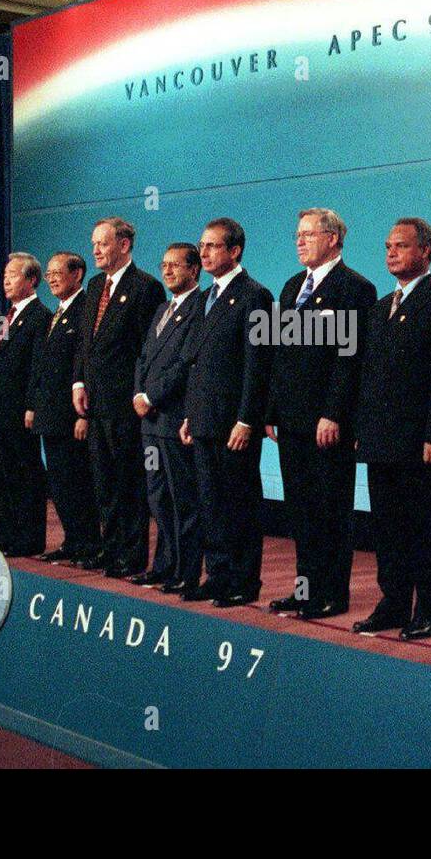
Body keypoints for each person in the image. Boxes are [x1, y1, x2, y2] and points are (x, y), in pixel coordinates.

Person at [265, 208, 376, 619]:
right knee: (300, 510)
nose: (300, 240)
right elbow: (281, 355)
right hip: (291, 421)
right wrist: (271, 411)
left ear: (333, 239)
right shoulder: (293, 287)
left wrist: (334, 413)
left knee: (330, 509)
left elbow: (351, 360)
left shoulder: (355, 288)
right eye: (298, 234)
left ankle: (332, 594)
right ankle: (305, 588)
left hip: (328, 422)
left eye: (309, 234)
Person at [352, 218, 431, 640]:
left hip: (421, 442)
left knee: (427, 530)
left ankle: (429, 610)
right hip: (379, 439)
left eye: (401, 246)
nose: (391, 253)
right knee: (388, 528)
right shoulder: (379, 307)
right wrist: (362, 427)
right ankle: (393, 602)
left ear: (426, 251)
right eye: (387, 246)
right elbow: (368, 375)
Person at [178, 218, 273, 607]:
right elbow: (194, 363)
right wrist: (189, 414)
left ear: (234, 251)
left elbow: (259, 363)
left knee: (239, 504)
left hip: (235, 422)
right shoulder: (203, 298)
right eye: (202, 245)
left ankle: (243, 580)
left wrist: (247, 419)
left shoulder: (256, 295)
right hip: (203, 418)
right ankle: (217, 574)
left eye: (213, 246)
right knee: (210, 503)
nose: (204, 253)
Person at [72, 218, 166, 578]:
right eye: (93, 243)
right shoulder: (95, 287)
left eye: (103, 243)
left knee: (129, 484)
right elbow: (84, 342)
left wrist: (141, 394)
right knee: (104, 483)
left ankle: (131, 555)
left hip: (126, 406)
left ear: (124, 245)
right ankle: (109, 549)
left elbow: (149, 350)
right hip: (94, 403)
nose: (95, 250)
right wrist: (78, 383)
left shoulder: (146, 288)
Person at [132, 243, 204, 592]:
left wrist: (150, 396)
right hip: (149, 423)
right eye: (164, 265)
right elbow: (143, 357)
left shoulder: (200, 307)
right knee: (157, 496)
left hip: (173, 418)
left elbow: (184, 365)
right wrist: (137, 393)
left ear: (194, 270)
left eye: (176, 265)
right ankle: (163, 565)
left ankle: (186, 571)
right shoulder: (162, 307)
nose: (168, 271)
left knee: (182, 499)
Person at [29, 252, 100, 565]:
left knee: (78, 484)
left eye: (58, 272)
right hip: (51, 415)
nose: (52, 278)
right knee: (59, 485)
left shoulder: (86, 309)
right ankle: (72, 541)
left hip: (72, 416)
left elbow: (83, 366)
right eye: (48, 274)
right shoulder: (56, 313)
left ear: (78, 274)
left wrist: (83, 415)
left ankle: (89, 545)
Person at [0, 253, 51, 556]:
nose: (6, 280)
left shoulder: (40, 316)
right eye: (5, 274)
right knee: (0, 474)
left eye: (13, 274)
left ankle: (28, 538)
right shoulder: (4, 317)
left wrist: (31, 406)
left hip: (17, 411)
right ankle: (6, 533)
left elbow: (37, 367)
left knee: (24, 476)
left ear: (31, 280)